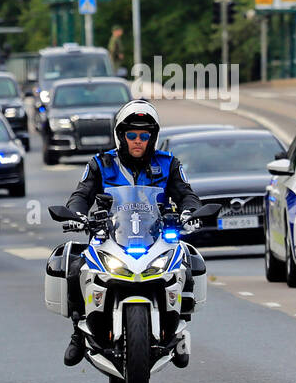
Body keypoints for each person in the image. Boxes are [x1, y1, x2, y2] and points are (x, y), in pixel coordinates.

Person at [60, 99, 201, 366]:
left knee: (188, 259)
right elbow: (80, 195)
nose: (138, 141)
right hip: (110, 237)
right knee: (75, 266)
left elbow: (187, 195)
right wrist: (78, 215)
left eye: (144, 135)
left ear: (153, 137)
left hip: (156, 238)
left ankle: (180, 329)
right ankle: (78, 332)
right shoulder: (100, 163)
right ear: (121, 136)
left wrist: (188, 213)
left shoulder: (169, 163)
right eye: (132, 135)